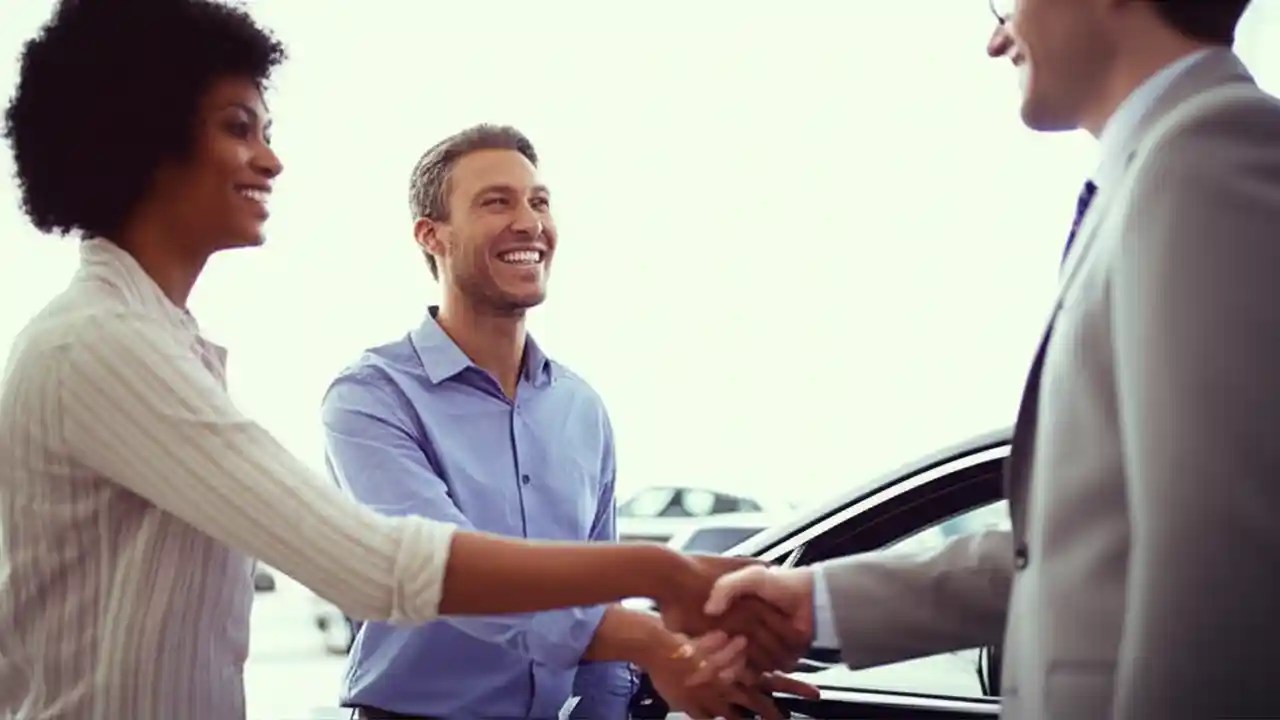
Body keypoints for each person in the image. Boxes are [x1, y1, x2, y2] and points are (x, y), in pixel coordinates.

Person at [0, 3, 806, 719]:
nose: (271, 161)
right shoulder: (105, 349)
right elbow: (377, 565)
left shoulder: (157, 342)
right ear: (143, 137)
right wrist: (658, 579)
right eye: (239, 127)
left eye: (265, 132)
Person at [705, 0, 1280, 718]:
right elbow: (1078, 555)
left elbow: (1222, 573)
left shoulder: (1214, 156)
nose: (996, 37)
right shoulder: (1164, 168)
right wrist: (816, 603)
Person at [320, 125, 815, 719]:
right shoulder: (370, 398)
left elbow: (598, 598)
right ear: (433, 235)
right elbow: (446, 575)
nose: (529, 222)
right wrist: (650, 635)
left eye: (539, 201)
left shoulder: (581, 409)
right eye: (496, 201)